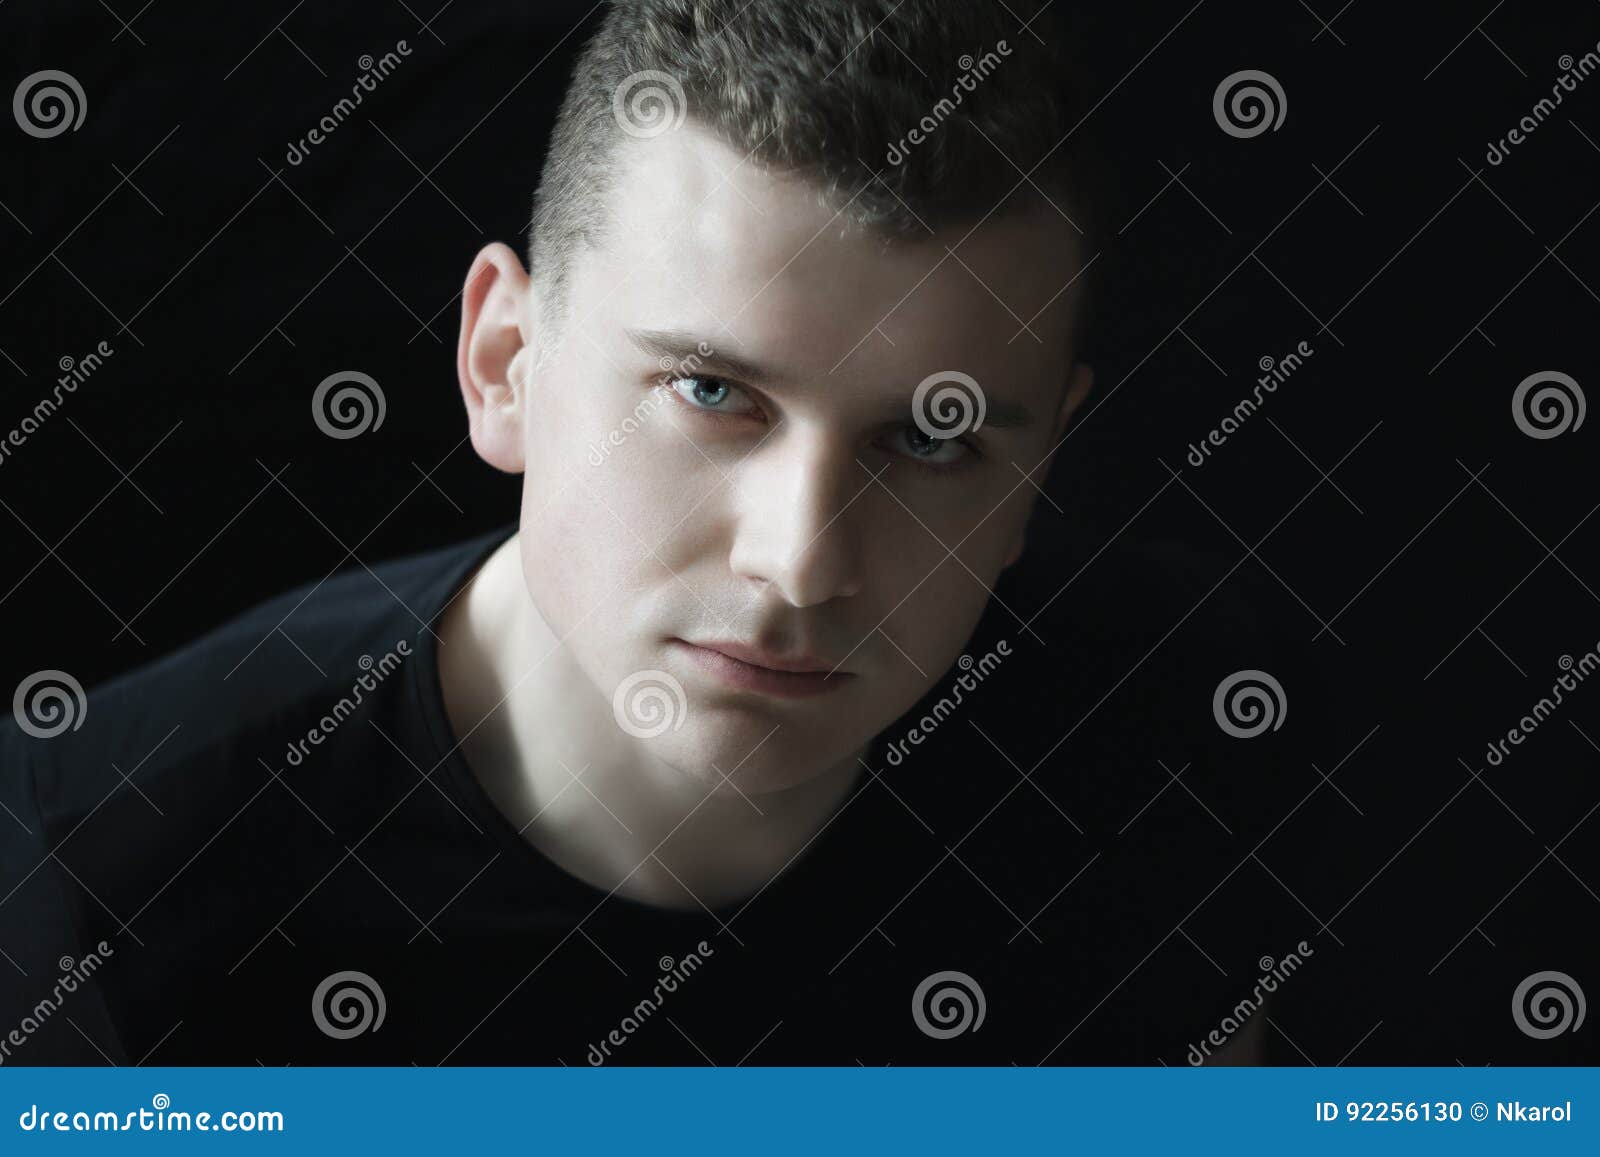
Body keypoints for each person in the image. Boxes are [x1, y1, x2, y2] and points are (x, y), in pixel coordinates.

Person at [0, 0, 1305, 1065]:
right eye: (711, 393)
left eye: (935, 436)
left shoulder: (1164, 725)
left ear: (1039, 469)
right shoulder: (90, 861)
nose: (799, 560)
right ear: (505, 362)